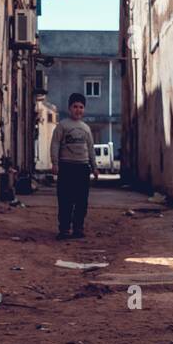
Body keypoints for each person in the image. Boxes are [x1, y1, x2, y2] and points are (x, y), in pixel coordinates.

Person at [50, 93, 99, 239]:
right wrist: (55, 163)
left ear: (84, 109)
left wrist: (94, 166)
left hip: (82, 168)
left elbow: (90, 148)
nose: (78, 110)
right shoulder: (62, 126)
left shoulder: (86, 128)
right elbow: (55, 144)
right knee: (65, 199)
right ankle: (64, 229)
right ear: (70, 108)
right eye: (75, 107)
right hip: (66, 167)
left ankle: (78, 228)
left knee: (81, 200)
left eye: (81, 107)